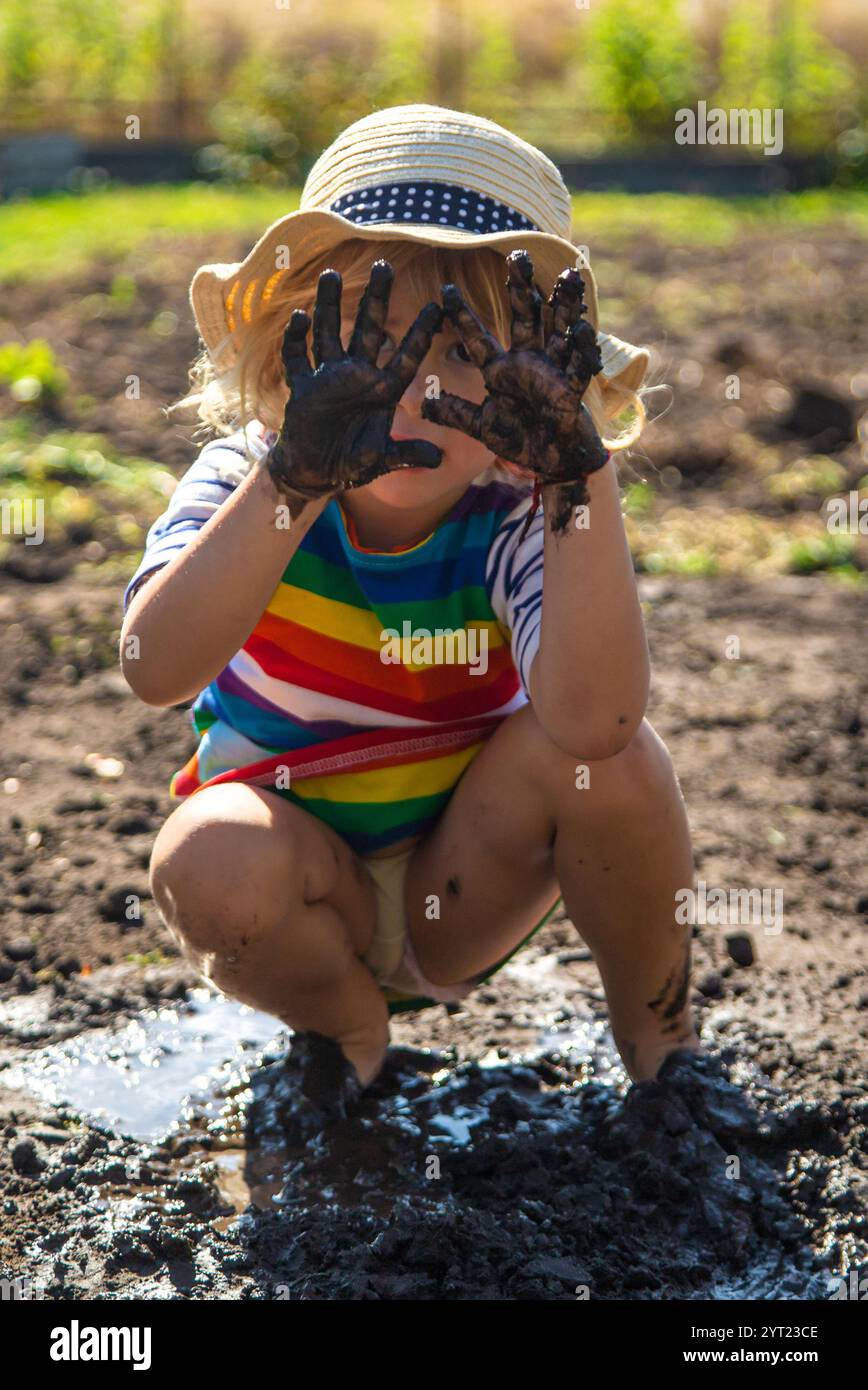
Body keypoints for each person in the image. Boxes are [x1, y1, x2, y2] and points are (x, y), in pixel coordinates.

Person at [120, 104, 701, 1089]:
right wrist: (292, 485)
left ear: (548, 382)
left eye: (469, 352)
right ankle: (348, 1030)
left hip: (467, 877)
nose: (417, 389)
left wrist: (577, 474)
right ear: (294, 347)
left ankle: (665, 1049)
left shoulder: (521, 503)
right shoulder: (251, 478)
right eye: (373, 342)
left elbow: (594, 721)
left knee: (625, 768)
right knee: (204, 856)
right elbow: (153, 669)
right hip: (296, 890)